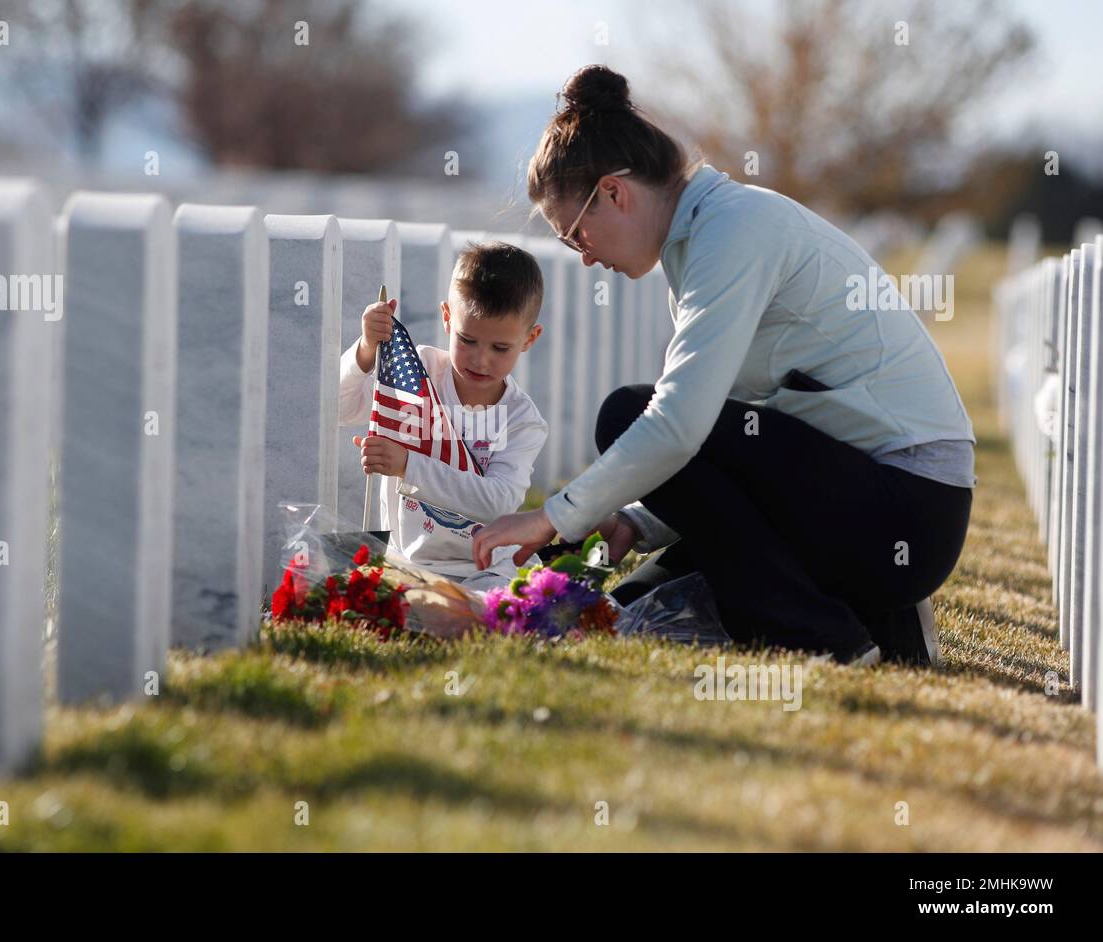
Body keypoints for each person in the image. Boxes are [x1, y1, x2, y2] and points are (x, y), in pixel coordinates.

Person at [471, 65, 976, 666]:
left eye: (576, 236)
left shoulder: (732, 231)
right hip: (872, 496)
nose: (583, 259)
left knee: (626, 412)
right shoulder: (703, 237)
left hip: (906, 509)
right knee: (634, 597)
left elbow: (680, 424)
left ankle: (825, 636)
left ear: (614, 192)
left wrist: (551, 518)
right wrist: (636, 519)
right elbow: (727, 435)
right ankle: (882, 623)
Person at [340, 241, 550, 590]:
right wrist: (365, 350)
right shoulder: (418, 375)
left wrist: (409, 465)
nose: (480, 360)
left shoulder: (521, 419)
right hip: (407, 561)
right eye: (467, 340)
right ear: (447, 318)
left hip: (485, 568)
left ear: (529, 338)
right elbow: (344, 409)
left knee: (488, 605)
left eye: (500, 347)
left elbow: (496, 502)